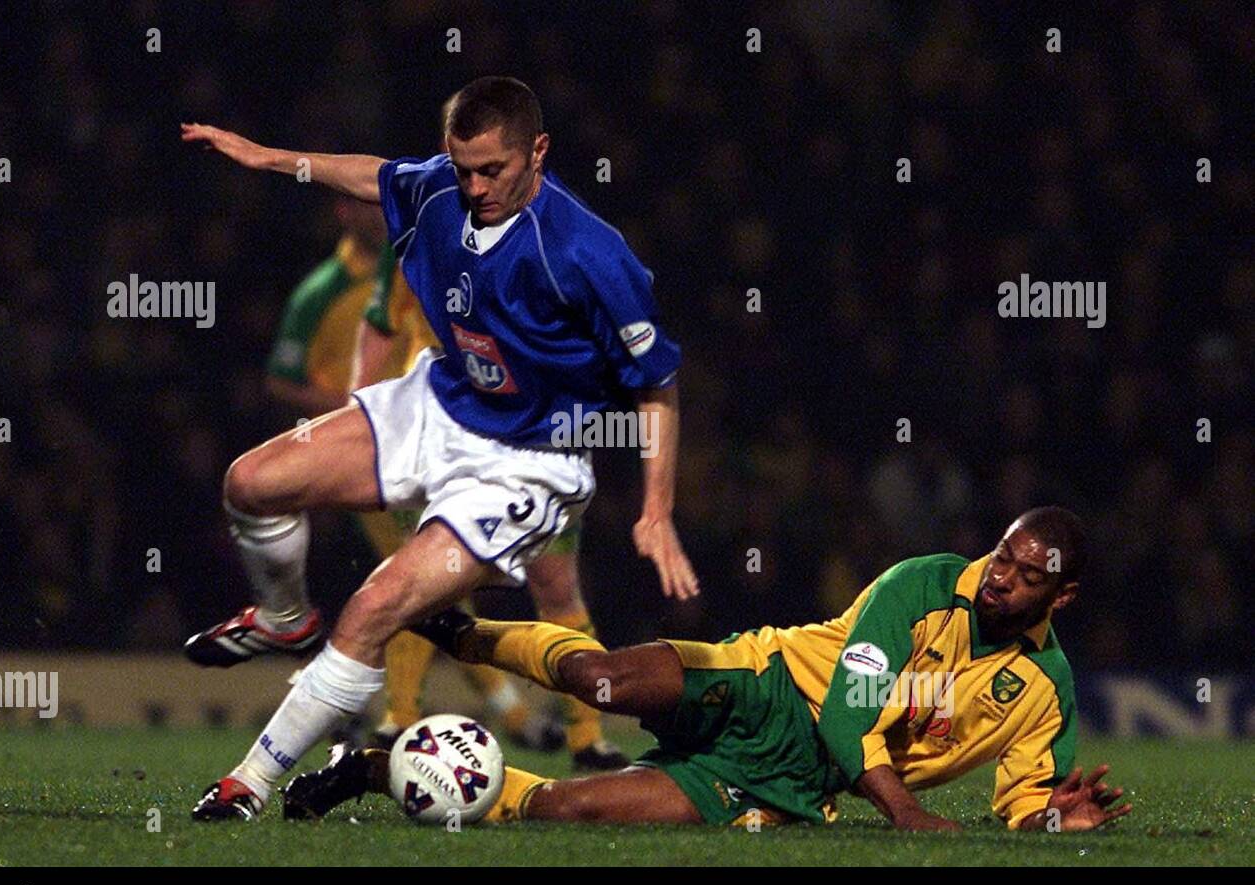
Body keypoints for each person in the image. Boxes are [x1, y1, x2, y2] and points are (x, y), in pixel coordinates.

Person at [179, 75, 698, 820]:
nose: (476, 186)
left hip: (527, 464)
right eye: (463, 169)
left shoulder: (589, 252)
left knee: (374, 606)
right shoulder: (439, 191)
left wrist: (656, 507)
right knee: (251, 482)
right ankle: (285, 615)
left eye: (494, 169)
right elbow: (372, 173)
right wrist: (265, 159)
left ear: (538, 152)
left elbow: (658, 383)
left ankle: (247, 782)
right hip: (437, 403)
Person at [287, 507, 1132, 833]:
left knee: (566, 807)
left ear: (1064, 595)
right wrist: (908, 815)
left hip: (786, 783)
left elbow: (1022, 800)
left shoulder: (1044, 691)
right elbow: (848, 714)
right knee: (598, 680)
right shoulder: (921, 584)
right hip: (760, 680)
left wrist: (1054, 820)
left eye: (1026, 575)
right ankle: (461, 633)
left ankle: (371, 767)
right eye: (1002, 555)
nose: (1001, 575)